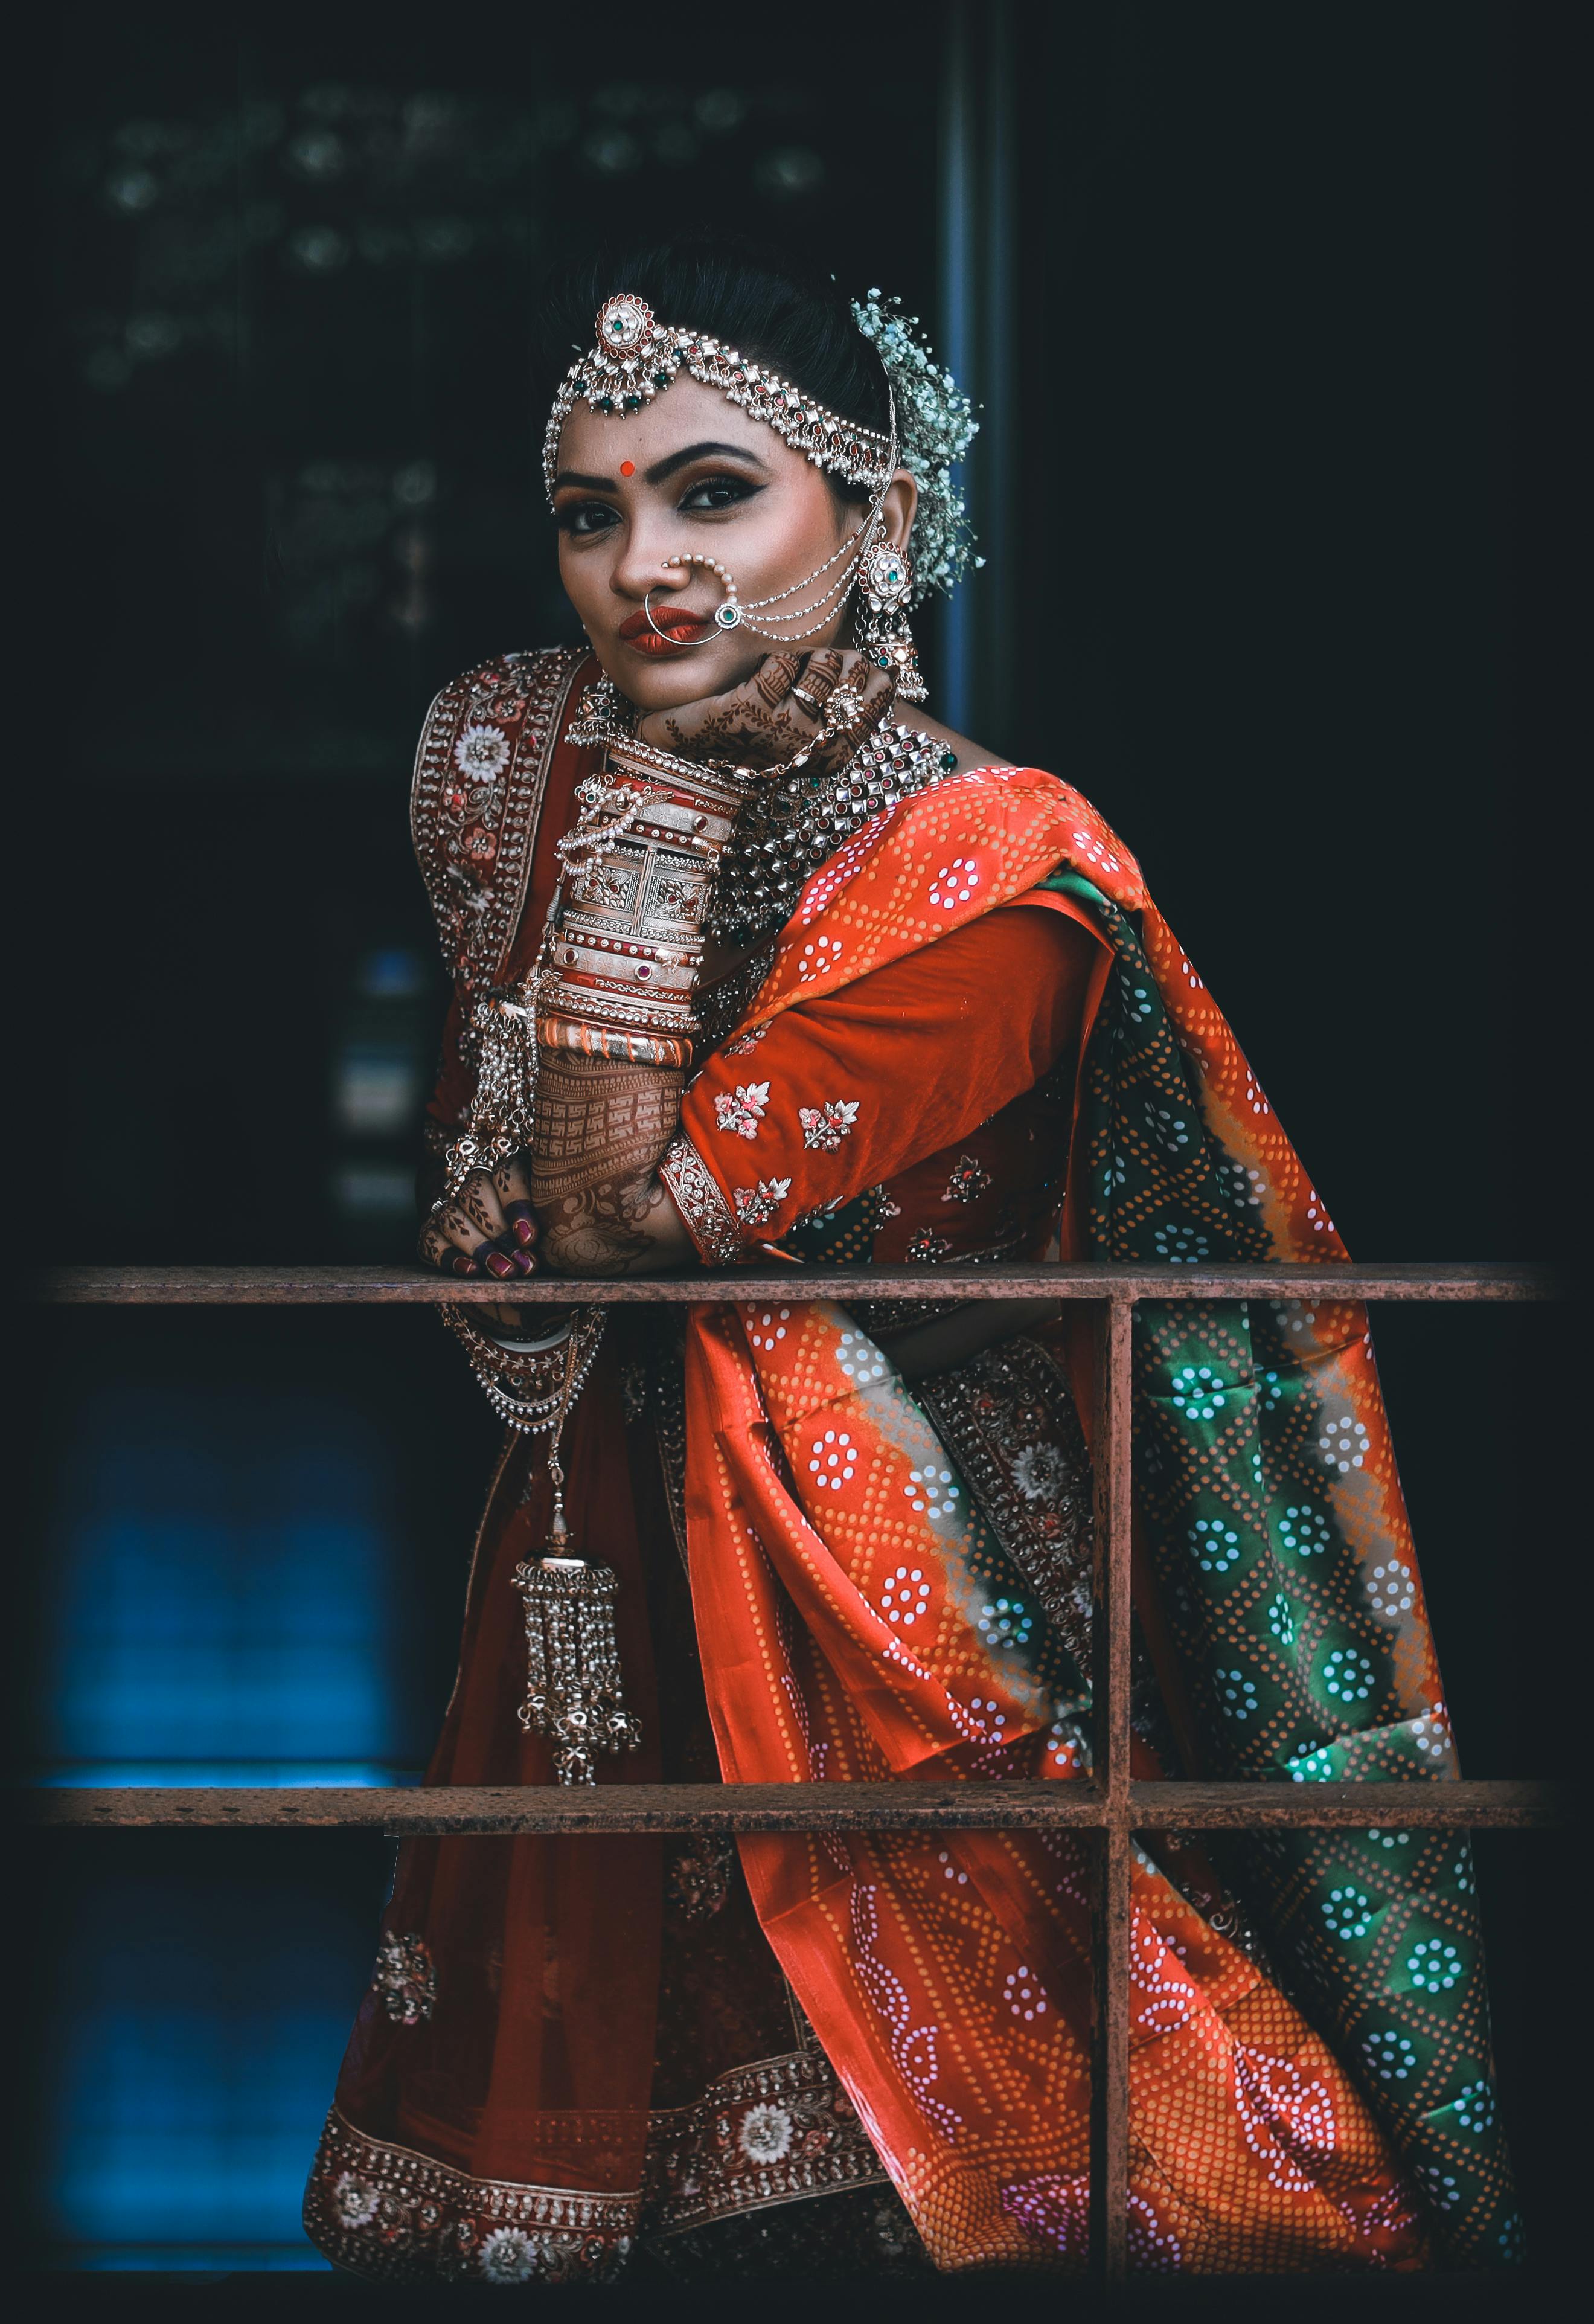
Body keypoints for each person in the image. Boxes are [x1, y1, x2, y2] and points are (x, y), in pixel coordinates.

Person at [304, 239, 1515, 2282]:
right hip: (604, 1569)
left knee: (942, 2186)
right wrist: (501, 1262)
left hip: (921, 1605)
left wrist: (652, 832)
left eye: (714, 494)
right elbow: (518, 1237)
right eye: (591, 516)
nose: (639, 567)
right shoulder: (514, 779)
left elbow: (635, 1214)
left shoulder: (1000, 875)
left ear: (874, 522)